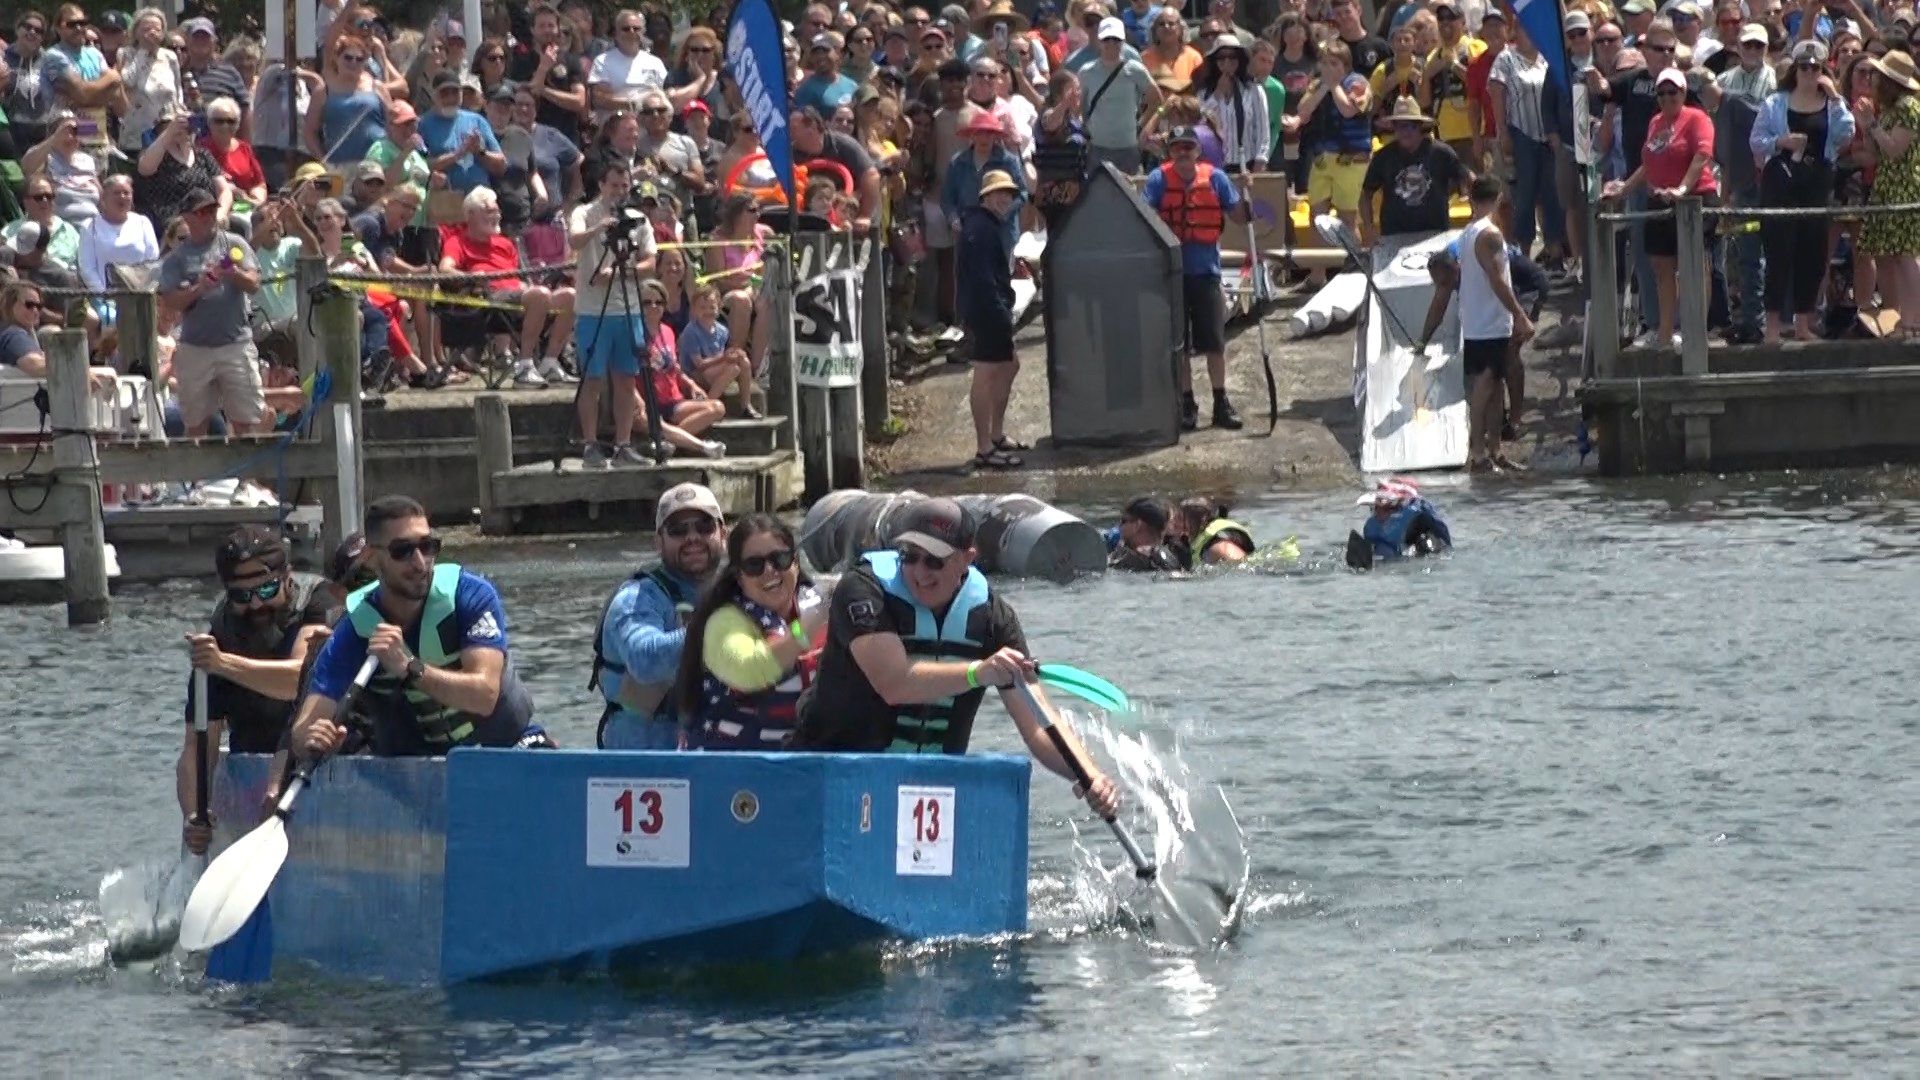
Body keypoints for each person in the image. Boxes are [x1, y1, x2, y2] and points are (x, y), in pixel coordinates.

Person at [786, 498, 1120, 817]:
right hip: (830, 772)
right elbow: (894, 683)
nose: (920, 571)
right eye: (909, 556)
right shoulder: (862, 590)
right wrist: (979, 672)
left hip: (926, 789)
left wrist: (1087, 775)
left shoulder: (992, 617)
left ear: (966, 559)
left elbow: (1038, 725)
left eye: (935, 560)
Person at [293, 495, 542, 759]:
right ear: (371, 558)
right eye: (402, 551)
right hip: (422, 772)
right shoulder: (355, 629)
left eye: (428, 546)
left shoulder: (471, 596)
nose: (420, 563)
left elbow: (485, 696)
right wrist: (313, 740)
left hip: (507, 751)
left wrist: (409, 667)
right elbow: (302, 731)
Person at [178, 526, 335, 853]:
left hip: (315, 764)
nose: (255, 606)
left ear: (287, 577)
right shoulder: (221, 634)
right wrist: (194, 814)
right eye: (241, 596)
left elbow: (301, 679)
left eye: (266, 591)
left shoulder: (320, 603)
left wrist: (224, 664)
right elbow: (197, 746)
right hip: (251, 775)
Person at [674, 515, 828, 750]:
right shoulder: (723, 622)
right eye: (755, 565)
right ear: (739, 576)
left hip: (803, 763)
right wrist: (815, 619)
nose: (770, 571)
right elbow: (751, 668)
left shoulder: (803, 613)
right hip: (731, 768)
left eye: (780, 559)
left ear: (795, 562)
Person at [593, 483, 729, 748]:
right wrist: (711, 626)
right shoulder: (636, 598)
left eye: (704, 526)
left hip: (709, 753)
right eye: (678, 530)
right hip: (642, 763)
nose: (692, 537)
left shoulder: (737, 591)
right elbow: (644, 660)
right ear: (658, 542)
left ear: (723, 534)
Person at [1602, 67, 1719, 351]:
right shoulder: (1655, 122)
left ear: (1683, 93)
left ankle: (1696, 333)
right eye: (1662, 93)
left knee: (1695, 264)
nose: (1667, 98)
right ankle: (1665, 334)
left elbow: (1702, 155)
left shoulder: (1697, 118)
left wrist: (1682, 188)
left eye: (1673, 92)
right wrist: (1624, 189)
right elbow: (1648, 164)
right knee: (1661, 266)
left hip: (1696, 198)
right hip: (1660, 200)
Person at [1143, 125, 1248, 432]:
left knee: (1215, 342)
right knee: (1180, 345)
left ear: (1197, 150)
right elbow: (1144, 216)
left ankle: (1220, 402)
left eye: (1188, 146)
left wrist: (1245, 192)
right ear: (1170, 151)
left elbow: (1240, 217)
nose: (1184, 152)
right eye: (1177, 147)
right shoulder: (1158, 180)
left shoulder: (1215, 178)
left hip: (1206, 273)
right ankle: (1187, 402)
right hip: (1172, 274)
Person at [1749, 40, 1854, 344]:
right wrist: (1781, 142)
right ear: (1795, 69)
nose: (1809, 73)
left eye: (1815, 68)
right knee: (1778, 253)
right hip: (1780, 181)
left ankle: (1803, 324)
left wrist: (1835, 97)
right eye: (1804, 67)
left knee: (1813, 253)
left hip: (1816, 182)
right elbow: (1756, 141)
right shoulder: (1775, 103)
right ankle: (1771, 327)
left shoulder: (1831, 103)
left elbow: (1844, 135)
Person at [157, 188, 266, 438]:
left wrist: (232, 273)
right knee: (195, 424)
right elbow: (171, 301)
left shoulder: (234, 243)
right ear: (187, 217)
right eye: (201, 212)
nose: (208, 216)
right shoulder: (177, 259)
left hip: (236, 344)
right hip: (195, 348)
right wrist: (199, 288)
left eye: (212, 210)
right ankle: (197, 478)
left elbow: (254, 283)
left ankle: (246, 477)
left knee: (246, 421)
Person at [1452, 174, 1533, 472]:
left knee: (1496, 384)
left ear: (1471, 200)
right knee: (1486, 383)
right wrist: (1520, 315)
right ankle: (1477, 451)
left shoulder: (1468, 232)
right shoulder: (1490, 235)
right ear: (1499, 199)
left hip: (1477, 319)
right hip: (1489, 322)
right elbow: (1497, 279)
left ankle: (1495, 450)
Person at [957, 169, 1027, 470]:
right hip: (985, 311)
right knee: (985, 375)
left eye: (1008, 194)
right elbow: (981, 279)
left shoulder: (984, 225)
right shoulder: (980, 228)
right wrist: (998, 310)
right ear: (985, 196)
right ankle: (984, 447)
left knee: (1010, 364)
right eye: (998, 193)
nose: (1004, 198)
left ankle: (995, 435)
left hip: (991, 308)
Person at [1855, 50, 1920, 338]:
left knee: (1907, 256)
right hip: (1888, 185)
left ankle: (1913, 322)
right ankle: (1907, 320)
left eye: (1878, 75)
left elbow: (1895, 150)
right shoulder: (1891, 109)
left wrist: (1872, 124)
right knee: (1897, 256)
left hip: (1905, 186)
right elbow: (1874, 156)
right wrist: (1865, 126)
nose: (1873, 79)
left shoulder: (1909, 106)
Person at [1359, 97, 1469, 245]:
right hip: (1394, 235)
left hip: (1435, 234)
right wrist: (1368, 227)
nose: (1406, 131)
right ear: (1393, 128)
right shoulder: (1383, 157)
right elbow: (1366, 193)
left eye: (1411, 126)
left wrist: (1476, 217)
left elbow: (1468, 178)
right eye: (1400, 126)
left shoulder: (1441, 153)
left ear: (1420, 127)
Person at [638, 278, 727, 457]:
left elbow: (674, 367)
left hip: (673, 400)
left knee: (717, 408)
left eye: (659, 302)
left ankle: (668, 441)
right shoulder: (635, 334)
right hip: (649, 401)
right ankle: (691, 444)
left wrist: (691, 385)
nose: (654, 306)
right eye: (647, 303)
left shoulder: (667, 331)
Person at [1078, 17, 1159, 175]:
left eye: (1116, 39)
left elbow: (1157, 100)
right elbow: (1080, 105)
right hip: (1097, 147)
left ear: (1123, 41)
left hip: (1128, 147)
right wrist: (1087, 127)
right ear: (1099, 41)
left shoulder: (1136, 69)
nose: (1111, 44)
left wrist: (1141, 125)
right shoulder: (1086, 72)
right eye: (1106, 39)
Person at [678, 284, 757, 417]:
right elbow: (699, 364)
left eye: (712, 307)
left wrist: (732, 355)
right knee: (733, 369)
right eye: (702, 308)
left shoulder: (722, 330)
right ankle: (707, 405)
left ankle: (746, 405)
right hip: (694, 374)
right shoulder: (691, 331)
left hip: (713, 370)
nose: (708, 311)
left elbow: (719, 356)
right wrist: (724, 358)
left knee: (742, 361)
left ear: (719, 308)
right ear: (694, 310)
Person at [1349, 477, 1452, 569]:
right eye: (1376, 507)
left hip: (1409, 566)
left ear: (1400, 505)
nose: (1378, 511)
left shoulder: (1419, 519)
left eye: (1386, 508)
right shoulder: (1371, 525)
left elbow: (1441, 548)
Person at [1104, 496, 1185, 571]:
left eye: (1124, 521)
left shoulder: (1152, 557)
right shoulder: (1122, 555)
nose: (1120, 526)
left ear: (1137, 525)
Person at [1173, 496, 1254, 566]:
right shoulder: (1187, 543)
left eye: (1179, 519)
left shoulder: (1220, 547)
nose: (1174, 524)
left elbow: (1246, 567)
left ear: (1201, 521)